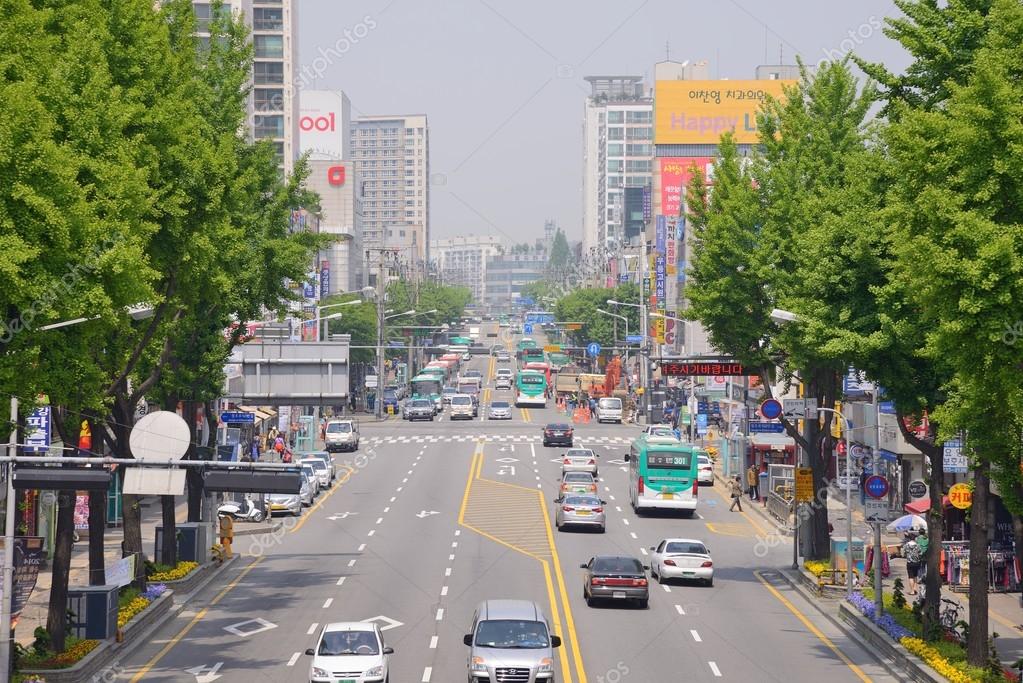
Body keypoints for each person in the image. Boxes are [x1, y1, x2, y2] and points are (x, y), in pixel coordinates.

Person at [902, 532, 923, 596]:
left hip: (910, 562)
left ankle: (912, 591)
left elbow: (903, 554)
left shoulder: (906, 545)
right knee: (915, 575)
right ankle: (915, 588)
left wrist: (908, 555)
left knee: (910, 577)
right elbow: (921, 554)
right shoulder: (918, 545)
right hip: (917, 562)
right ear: (915, 538)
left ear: (909, 538)